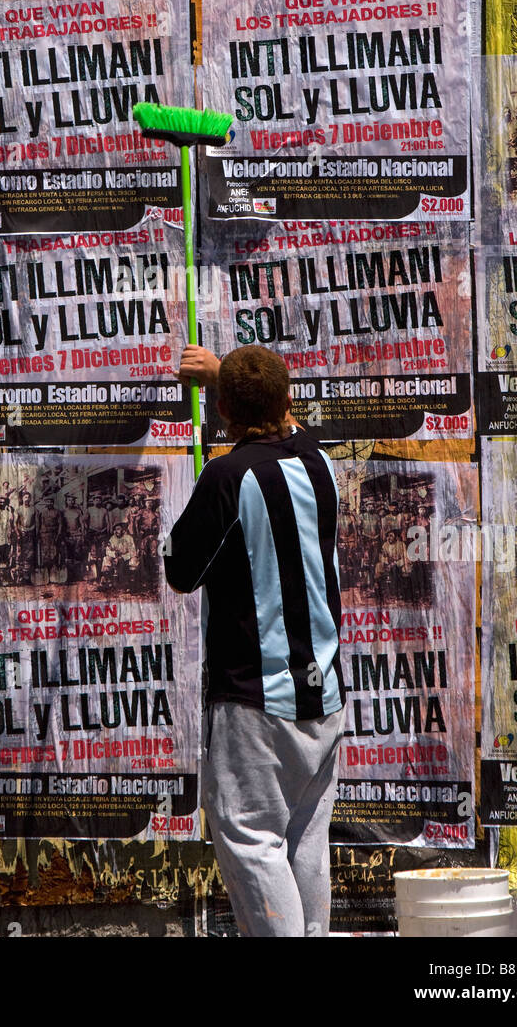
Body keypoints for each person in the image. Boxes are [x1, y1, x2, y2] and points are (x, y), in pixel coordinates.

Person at [164, 344, 344, 938]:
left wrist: (224, 393)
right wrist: (227, 381)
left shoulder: (226, 476)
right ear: (288, 399)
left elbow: (181, 572)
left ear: (224, 412)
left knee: (253, 842)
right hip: (324, 697)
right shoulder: (318, 460)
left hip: (255, 702)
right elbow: (282, 421)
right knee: (305, 846)